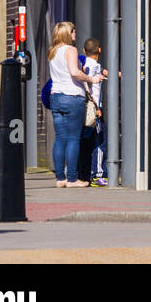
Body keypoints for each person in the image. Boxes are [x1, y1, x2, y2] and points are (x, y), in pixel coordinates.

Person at [47, 21, 108, 188]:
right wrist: (91, 79)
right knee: (74, 139)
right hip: (72, 97)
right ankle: (73, 179)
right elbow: (74, 72)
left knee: (60, 139)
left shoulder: (53, 52)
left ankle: (61, 178)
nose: (75, 34)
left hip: (56, 96)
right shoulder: (71, 50)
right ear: (68, 33)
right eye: (73, 31)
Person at [79, 37, 107, 186]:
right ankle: (98, 174)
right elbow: (89, 89)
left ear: (84, 51)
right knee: (99, 141)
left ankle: (85, 173)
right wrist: (97, 108)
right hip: (94, 109)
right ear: (99, 50)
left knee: (86, 142)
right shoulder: (93, 66)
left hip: (86, 109)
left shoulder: (86, 65)